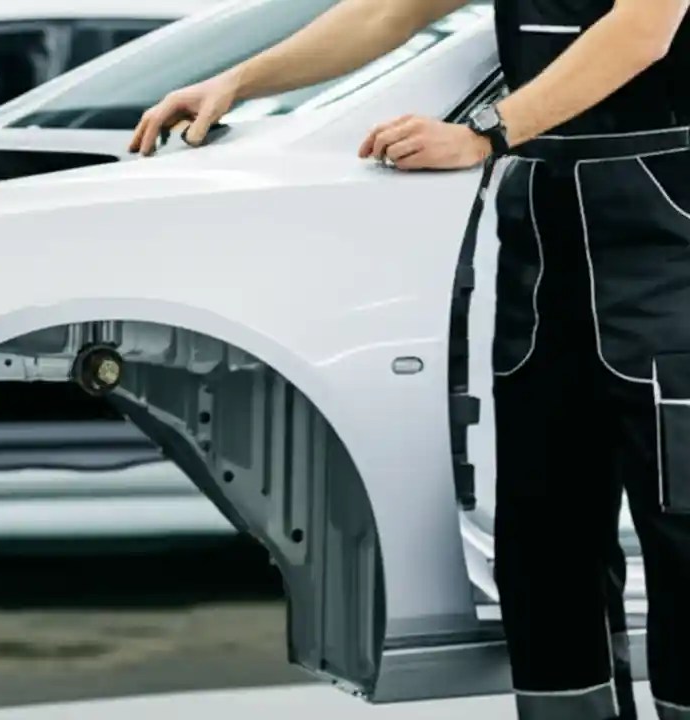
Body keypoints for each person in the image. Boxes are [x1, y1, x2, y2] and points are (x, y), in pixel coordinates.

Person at [129, 0, 690, 718]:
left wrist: (485, 134)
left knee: (684, 538)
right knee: (542, 548)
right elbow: (386, 11)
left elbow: (643, 30)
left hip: (667, 243)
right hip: (543, 259)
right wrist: (239, 81)